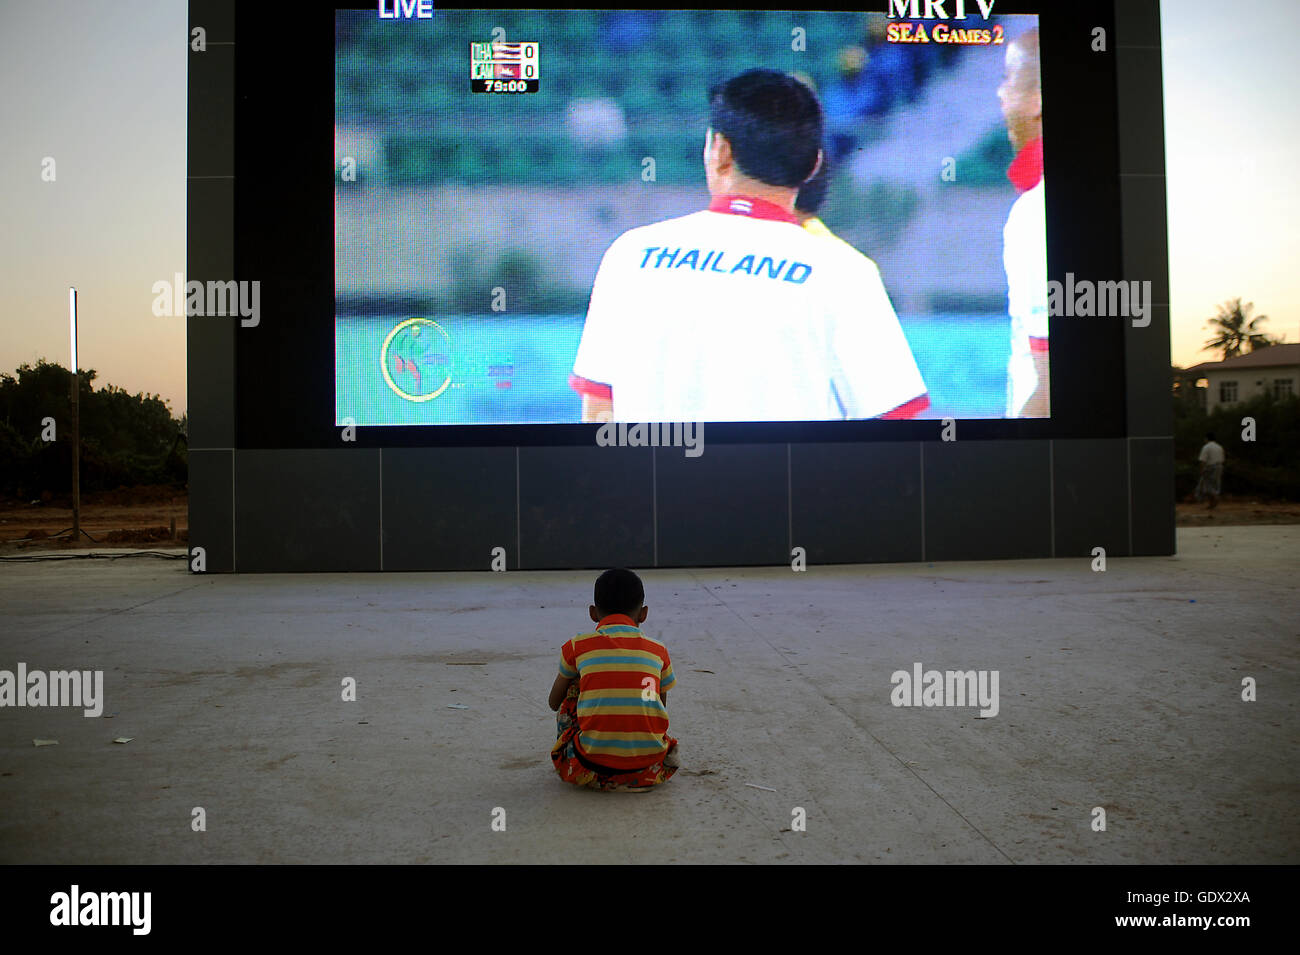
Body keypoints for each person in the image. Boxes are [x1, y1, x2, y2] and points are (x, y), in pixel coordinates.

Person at [570, 69, 929, 423]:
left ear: (720, 151)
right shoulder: (845, 273)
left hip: (648, 481)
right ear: (813, 165)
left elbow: (600, 413)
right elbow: (894, 428)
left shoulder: (631, 254)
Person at [548, 568, 679, 792]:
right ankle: (635, 771)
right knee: (646, 693)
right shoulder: (658, 650)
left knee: (574, 683)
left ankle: (600, 764)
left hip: (590, 765)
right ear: (644, 613)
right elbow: (659, 704)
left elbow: (553, 703)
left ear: (593, 613)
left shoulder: (576, 646)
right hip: (649, 765)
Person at [999, 28, 1049, 419]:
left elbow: (1050, 390)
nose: (1000, 94)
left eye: (1008, 79)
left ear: (1039, 101)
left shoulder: (1035, 212)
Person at [1196, 432, 1225, 508]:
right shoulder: (1219, 447)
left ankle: (1215, 498)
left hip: (1210, 467)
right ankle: (1212, 504)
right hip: (1220, 466)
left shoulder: (1206, 447)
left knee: (1207, 485)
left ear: (1206, 438)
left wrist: (1201, 470)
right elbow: (1222, 458)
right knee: (1216, 484)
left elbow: (1202, 460)